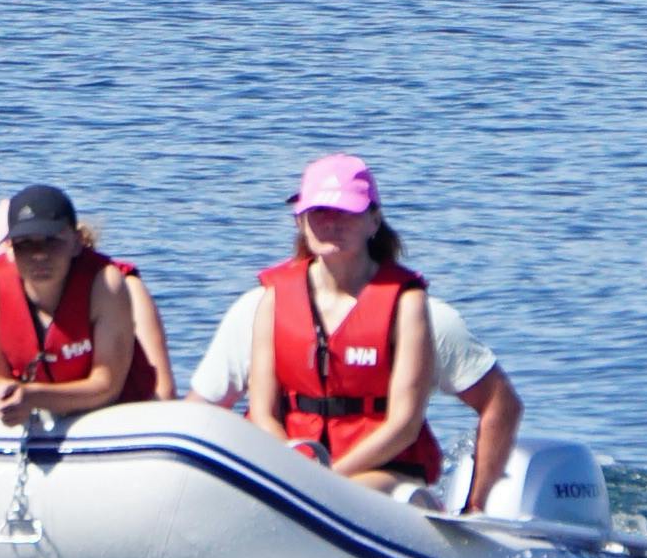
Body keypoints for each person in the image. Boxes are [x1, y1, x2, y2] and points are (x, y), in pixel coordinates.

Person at [192, 156, 525, 514]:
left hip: (379, 472)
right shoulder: (266, 302)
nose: (331, 223)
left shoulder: (413, 308)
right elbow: (259, 412)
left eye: (345, 211)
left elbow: (406, 424)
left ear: (374, 220)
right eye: (319, 212)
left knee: (336, 500)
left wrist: (326, 479)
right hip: (288, 466)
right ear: (300, 221)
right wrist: (293, 470)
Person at [0, 183, 171, 420]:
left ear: (76, 242)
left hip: (120, 417)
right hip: (36, 414)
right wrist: (0, 395)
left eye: (52, 241)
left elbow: (106, 385)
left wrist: (33, 396)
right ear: (9, 250)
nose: (39, 255)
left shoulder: (106, 284)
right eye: (25, 244)